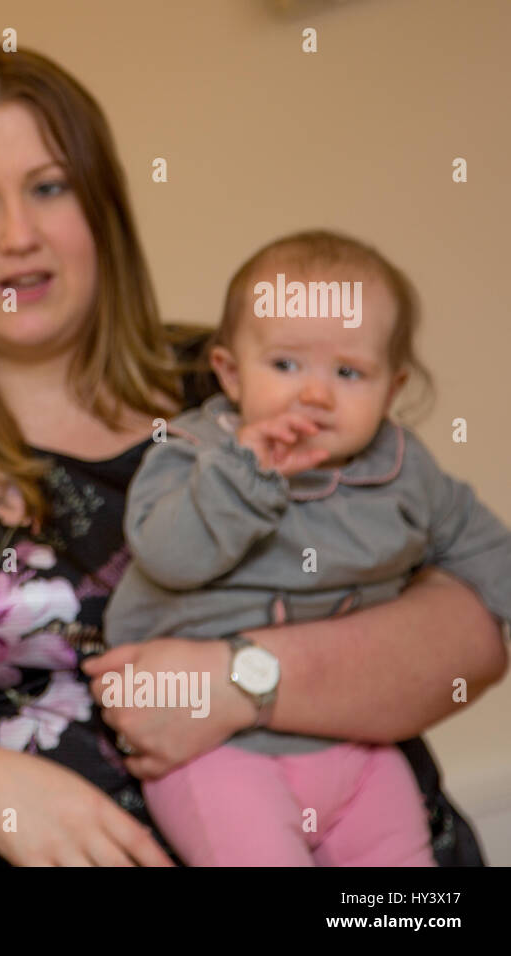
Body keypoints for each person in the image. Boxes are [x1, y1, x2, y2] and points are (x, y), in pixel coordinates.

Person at [0, 45, 507, 866]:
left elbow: (477, 622)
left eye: (50, 188)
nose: (19, 236)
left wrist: (243, 683)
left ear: (104, 207)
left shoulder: (246, 384)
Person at [104, 229, 511, 865]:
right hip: (217, 754)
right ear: (230, 374)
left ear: (392, 388)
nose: (316, 394)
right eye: (286, 365)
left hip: (356, 745)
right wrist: (247, 477)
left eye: (349, 372)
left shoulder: (404, 470)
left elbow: (480, 546)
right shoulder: (196, 454)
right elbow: (169, 556)